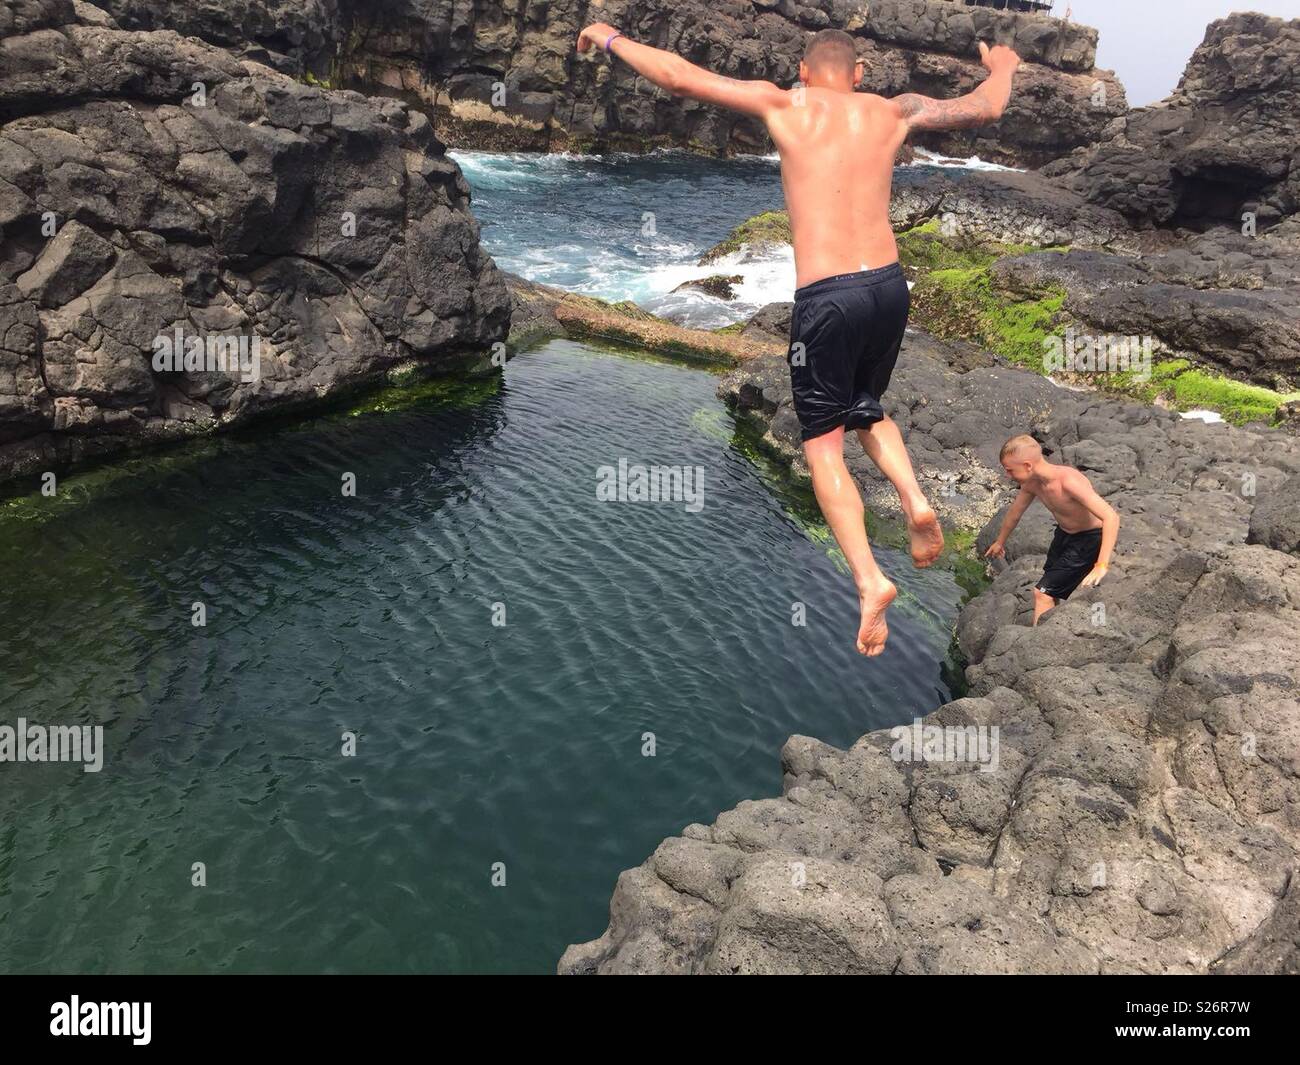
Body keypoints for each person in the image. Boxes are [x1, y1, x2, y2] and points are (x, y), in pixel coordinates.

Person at [575, 23, 1022, 655]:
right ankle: (915, 498)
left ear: (804, 71)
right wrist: (1004, 64)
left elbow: (679, 75)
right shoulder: (895, 111)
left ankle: (870, 581)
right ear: (861, 74)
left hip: (829, 296)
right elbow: (987, 106)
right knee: (867, 405)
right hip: (890, 286)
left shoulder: (785, 103)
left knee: (823, 447)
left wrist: (610, 36)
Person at [984, 435, 1120, 625]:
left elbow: (1111, 517)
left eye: (1009, 470)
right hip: (1064, 534)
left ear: (1028, 465)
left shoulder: (1068, 482)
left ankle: (1036, 643)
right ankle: (1049, 624)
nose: (1008, 475)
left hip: (1089, 540)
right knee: (1050, 585)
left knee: (1042, 593)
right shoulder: (1031, 483)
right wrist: (999, 542)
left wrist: (1101, 565)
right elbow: (1014, 513)